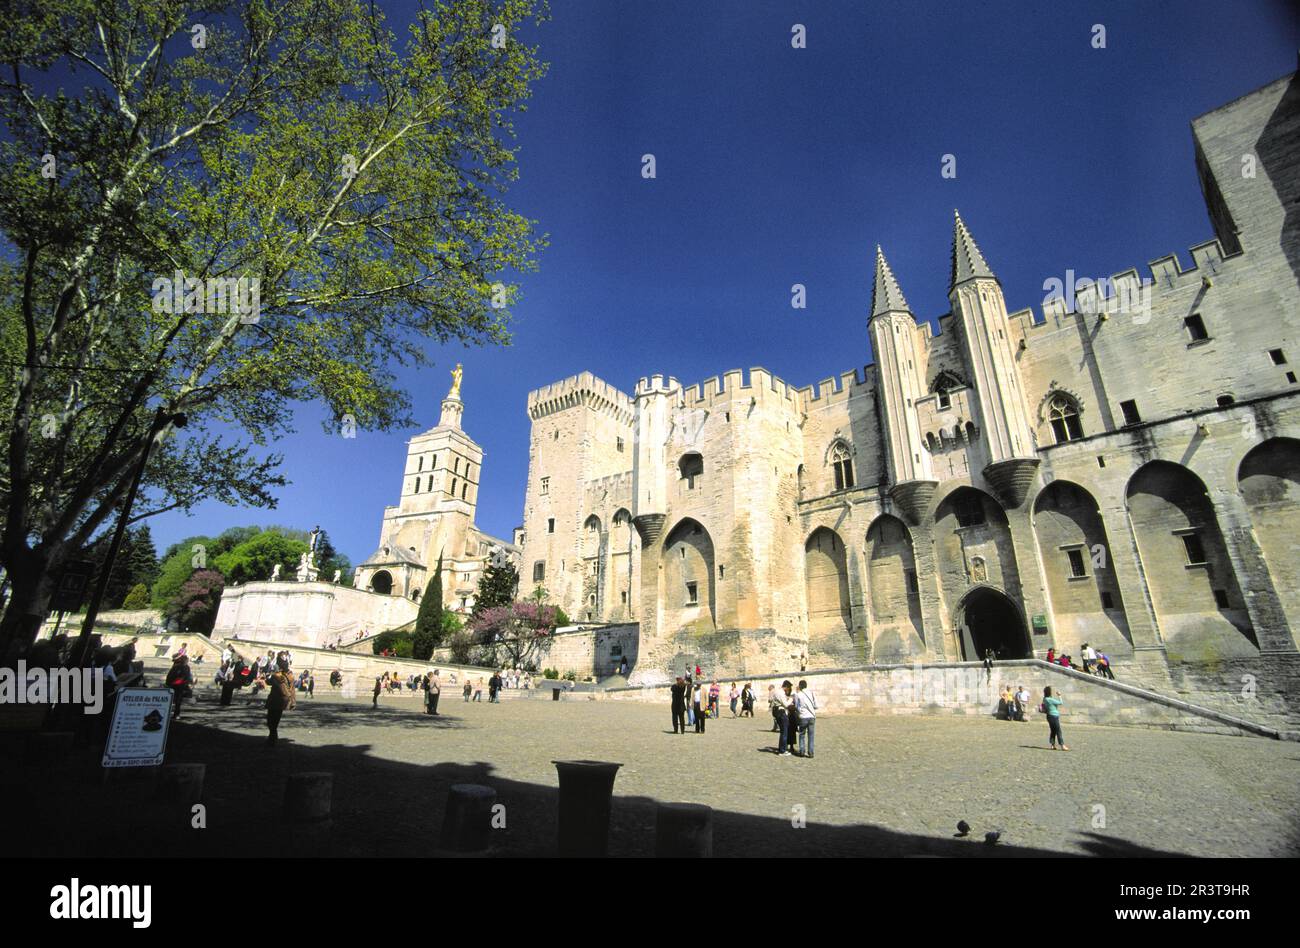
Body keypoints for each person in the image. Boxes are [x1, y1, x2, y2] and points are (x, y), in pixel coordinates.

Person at [267, 662, 296, 743]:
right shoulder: (290, 676)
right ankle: (273, 737)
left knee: (270, 720)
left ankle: (272, 737)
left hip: (274, 699)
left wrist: (269, 675)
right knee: (276, 719)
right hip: (283, 701)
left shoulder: (276, 676)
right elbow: (292, 690)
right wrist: (293, 702)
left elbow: (268, 682)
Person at [165, 654, 193, 719]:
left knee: (176, 700)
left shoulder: (185, 667)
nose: (186, 661)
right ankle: (175, 714)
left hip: (178, 685)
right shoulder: (179, 667)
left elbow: (187, 676)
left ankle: (175, 714)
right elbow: (171, 676)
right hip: (177, 685)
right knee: (176, 700)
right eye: (186, 660)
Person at [794, 679, 817, 758]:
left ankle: (802, 751)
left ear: (800, 686)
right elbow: (815, 704)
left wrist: (799, 712)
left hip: (803, 716)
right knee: (811, 735)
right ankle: (811, 752)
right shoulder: (811, 692)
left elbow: (797, 706)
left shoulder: (798, 694)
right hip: (811, 716)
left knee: (802, 734)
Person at [1043, 686, 1068, 750]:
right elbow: (1060, 702)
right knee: (1058, 730)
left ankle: (1052, 744)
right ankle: (1062, 745)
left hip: (1049, 716)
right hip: (1054, 715)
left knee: (1053, 730)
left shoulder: (1045, 698)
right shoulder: (1050, 699)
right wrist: (1059, 695)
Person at [772, 681, 793, 755]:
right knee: (784, 732)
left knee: (782, 731)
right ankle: (782, 750)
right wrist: (791, 699)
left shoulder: (776, 691)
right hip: (781, 712)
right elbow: (786, 705)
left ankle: (781, 748)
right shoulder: (781, 693)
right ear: (787, 687)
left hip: (777, 711)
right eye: (789, 688)